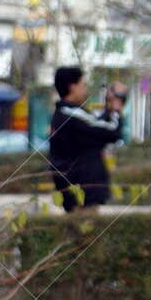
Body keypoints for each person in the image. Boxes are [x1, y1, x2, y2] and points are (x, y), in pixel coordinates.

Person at [48, 66, 126, 213]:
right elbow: (110, 131)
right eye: (83, 85)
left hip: (76, 192)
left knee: (79, 233)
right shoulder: (73, 115)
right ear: (72, 87)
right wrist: (115, 108)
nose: (85, 90)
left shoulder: (64, 114)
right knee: (86, 233)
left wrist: (109, 108)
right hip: (83, 194)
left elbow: (95, 130)